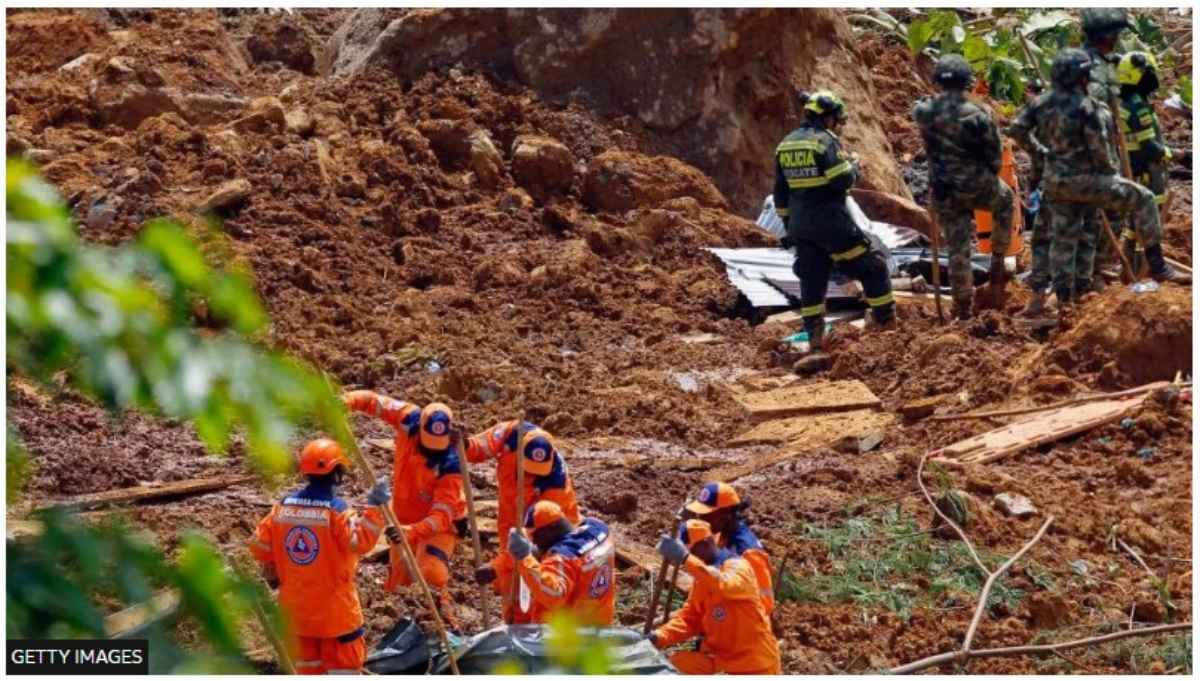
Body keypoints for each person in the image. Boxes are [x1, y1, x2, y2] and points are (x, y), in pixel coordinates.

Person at [1006, 49, 1167, 310]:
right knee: (1143, 198)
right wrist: (1110, 175)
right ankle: (1157, 266)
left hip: (1055, 183)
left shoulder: (1041, 103)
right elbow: (1101, 153)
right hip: (1088, 181)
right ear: (1083, 77)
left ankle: (1065, 298)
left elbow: (1016, 129)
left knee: (1065, 236)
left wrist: (1041, 154)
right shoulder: (1091, 107)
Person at [773, 89, 895, 374]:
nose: (838, 125)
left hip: (801, 225)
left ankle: (815, 345)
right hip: (830, 222)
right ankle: (888, 328)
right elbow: (841, 181)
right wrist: (853, 166)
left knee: (812, 280)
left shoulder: (786, 145)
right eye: (837, 120)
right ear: (828, 117)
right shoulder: (824, 142)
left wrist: (790, 225)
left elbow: (780, 193)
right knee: (873, 268)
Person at [249, 438, 389, 675]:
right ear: (338, 472)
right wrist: (375, 508)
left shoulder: (282, 508)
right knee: (344, 671)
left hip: (296, 615)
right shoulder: (336, 511)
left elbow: (258, 547)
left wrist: (274, 565)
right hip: (336, 616)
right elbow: (360, 542)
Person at [341, 391, 466, 616]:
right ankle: (395, 623)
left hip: (438, 526)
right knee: (399, 581)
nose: (432, 449)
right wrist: (346, 402)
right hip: (403, 515)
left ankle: (444, 625)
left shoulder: (451, 464)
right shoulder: (409, 418)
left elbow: (441, 516)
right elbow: (373, 402)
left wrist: (412, 531)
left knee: (431, 573)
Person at [913, 54, 1013, 319]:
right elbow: (994, 157)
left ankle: (962, 305)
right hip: (978, 184)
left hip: (943, 190)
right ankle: (998, 258)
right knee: (1006, 200)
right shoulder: (979, 113)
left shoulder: (924, 112)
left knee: (958, 247)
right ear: (966, 81)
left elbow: (920, 112)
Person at [466, 421, 582, 623]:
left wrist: (495, 567)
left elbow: (527, 545)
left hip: (547, 539)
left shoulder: (553, 492)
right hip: (510, 522)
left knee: (531, 587)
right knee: (508, 586)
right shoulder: (513, 433)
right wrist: (466, 444)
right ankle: (512, 624)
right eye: (528, 469)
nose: (533, 474)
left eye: (538, 470)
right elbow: (483, 445)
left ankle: (528, 633)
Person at [650, 519, 780, 675]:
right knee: (674, 666)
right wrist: (658, 637)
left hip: (754, 665)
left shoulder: (738, 566)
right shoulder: (703, 577)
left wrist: (686, 559)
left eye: (691, 552)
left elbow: (725, 586)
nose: (688, 561)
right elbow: (690, 618)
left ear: (706, 543)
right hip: (720, 661)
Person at [1116, 51, 1190, 283]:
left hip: (1132, 167)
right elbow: (1149, 146)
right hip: (1147, 169)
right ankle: (1149, 269)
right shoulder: (1139, 106)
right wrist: (1177, 155)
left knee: (1133, 221)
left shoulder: (1123, 102)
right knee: (1150, 218)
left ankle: (1128, 271)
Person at [1079, 8, 1133, 286]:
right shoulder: (1091, 68)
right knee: (1102, 211)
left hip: (1099, 146)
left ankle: (1096, 267)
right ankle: (1090, 273)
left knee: (1108, 209)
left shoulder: (1098, 60)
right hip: (1093, 149)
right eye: (1117, 34)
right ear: (1107, 36)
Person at [505, 500, 617, 626]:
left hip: (572, 636)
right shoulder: (600, 528)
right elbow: (576, 548)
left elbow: (553, 595)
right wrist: (537, 552)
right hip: (601, 622)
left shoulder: (562, 559)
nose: (534, 542)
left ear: (551, 529)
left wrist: (525, 557)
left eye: (535, 536)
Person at [682, 482, 774, 616]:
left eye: (708, 514)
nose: (701, 518)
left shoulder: (748, 551)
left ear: (726, 513)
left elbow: (765, 604)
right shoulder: (719, 535)